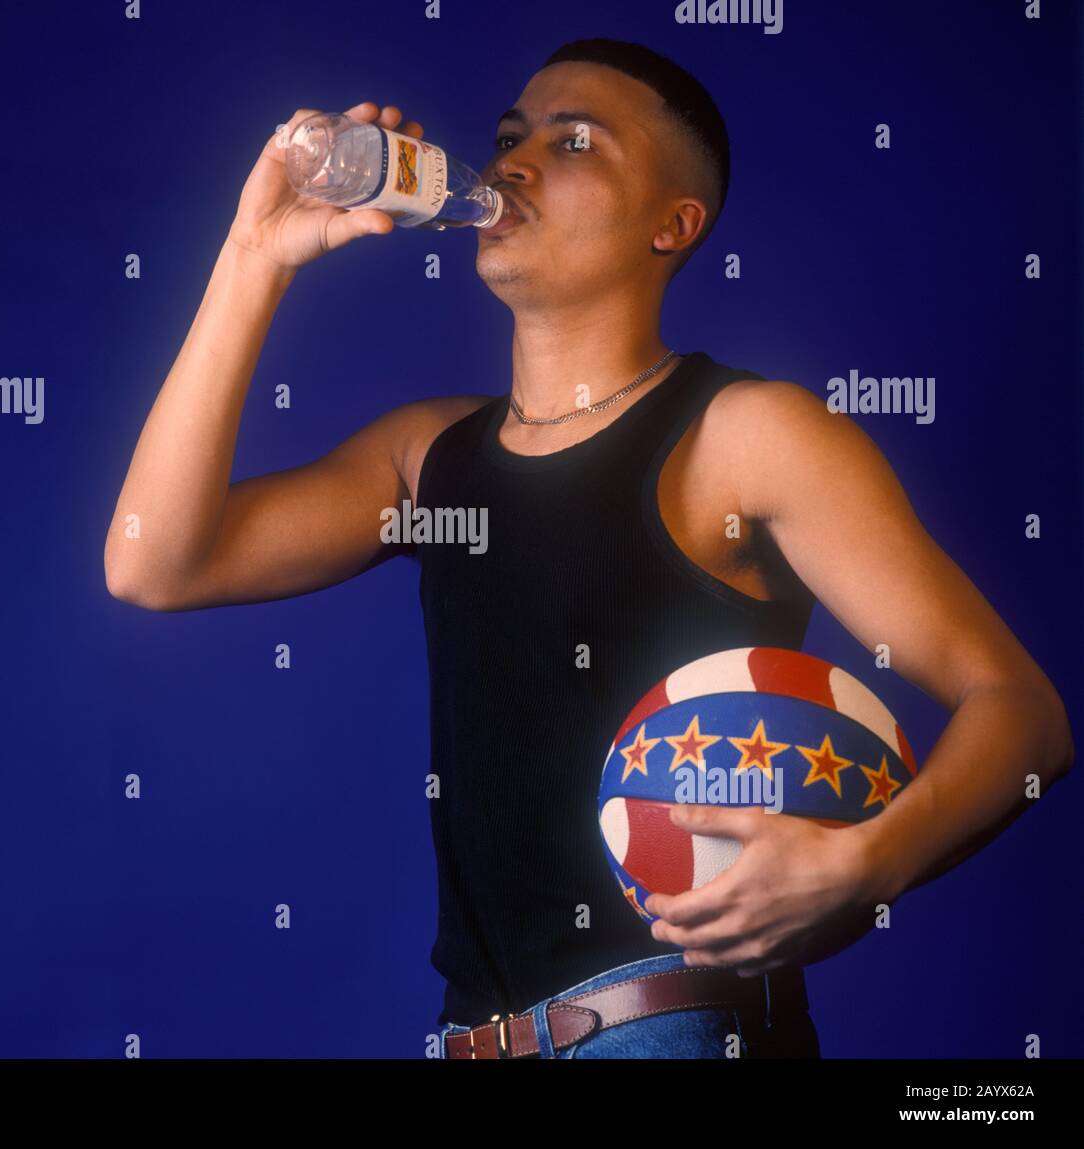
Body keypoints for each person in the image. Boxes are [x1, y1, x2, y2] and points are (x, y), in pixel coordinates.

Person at [103, 38, 1074, 1059]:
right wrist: (254, 257)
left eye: (575, 143)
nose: (512, 164)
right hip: (465, 1041)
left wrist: (868, 864)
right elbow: (152, 563)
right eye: (509, 138)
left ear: (674, 224)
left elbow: (1024, 716)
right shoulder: (427, 457)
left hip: (670, 1027)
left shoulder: (747, 435)